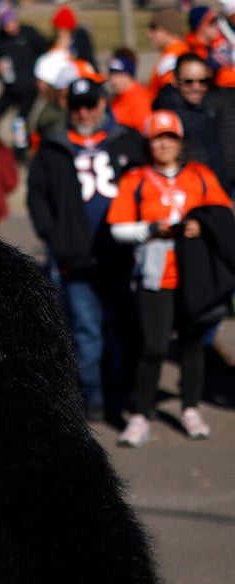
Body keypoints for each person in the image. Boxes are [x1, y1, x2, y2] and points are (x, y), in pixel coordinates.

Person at [108, 110, 233, 446]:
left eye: (170, 138)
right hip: (154, 274)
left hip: (195, 275)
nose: (164, 144)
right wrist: (151, 229)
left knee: (193, 344)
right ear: (149, 143)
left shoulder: (200, 175)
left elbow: (222, 214)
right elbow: (117, 229)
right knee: (153, 347)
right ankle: (141, 414)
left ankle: (190, 408)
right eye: (157, 138)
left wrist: (200, 224)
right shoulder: (136, 179)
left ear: (180, 142)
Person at [28, 77, 144, 421]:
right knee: (87, 332)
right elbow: (38, 197)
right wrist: (56, 235)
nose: (84, 112)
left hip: (122, 255)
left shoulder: (127, 141)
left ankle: (122, 392)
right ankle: (92, 396)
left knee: (123, 328)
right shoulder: (54, 148)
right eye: (77, 106)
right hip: (76, 257)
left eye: (90, 104)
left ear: (103, 104)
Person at [153, 52, 233, 193]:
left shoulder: (211, 103)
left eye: (202, 81)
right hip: (192, 193)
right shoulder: (168, 115)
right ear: (175, 81)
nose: (196, 87)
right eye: (188, 82)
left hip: (222, 189)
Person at [0, 6, 46, 153]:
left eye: (12, 21)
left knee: (20, 122)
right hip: (10, 89)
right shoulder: (0, 39)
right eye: (6, 23)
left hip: (29, 88)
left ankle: (19, 153)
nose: (10, 26)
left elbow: (45, 54)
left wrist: (41, 78)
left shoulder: (29, 33)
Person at [147, 8, 191, 99]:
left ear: (167, 30)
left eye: (153, 28)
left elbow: (169, 94)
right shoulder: (176, 51)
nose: (149, 34)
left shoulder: (173, 56)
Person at [107, 49, 153, 134]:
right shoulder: (117, 98)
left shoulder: (140, 99)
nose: (113, 81)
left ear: (129, 75)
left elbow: (143, 133)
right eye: (111, 75)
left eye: (119, 75)